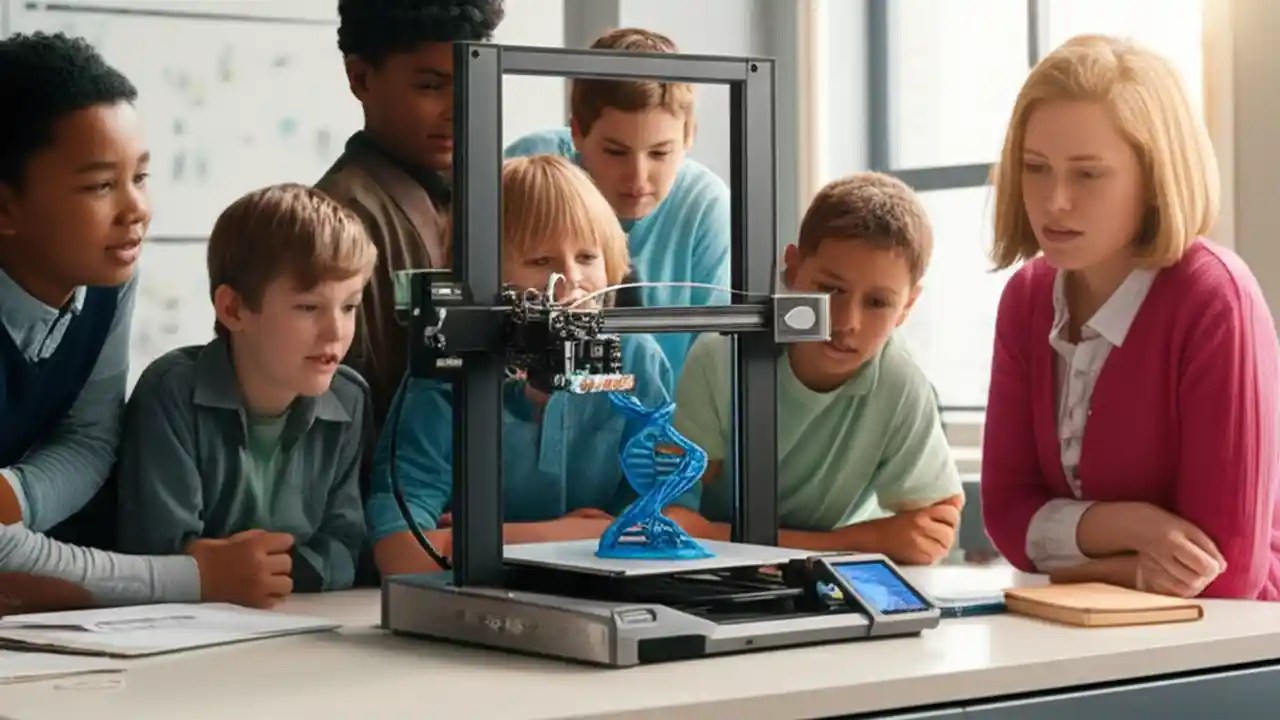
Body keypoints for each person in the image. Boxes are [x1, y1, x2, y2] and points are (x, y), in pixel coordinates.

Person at [0, 32, 294, 614]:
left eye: (140, 177)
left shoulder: (109, 276)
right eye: (101, 186)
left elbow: (89, 436)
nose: (136, 209)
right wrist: (193, 578)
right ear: (6, 207)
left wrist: (18, 495)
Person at [980, 35, 1280, 600]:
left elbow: (1228, 573)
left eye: (1088, 174)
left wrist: (1078, 562)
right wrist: (1136, 530)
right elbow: (1008, 520)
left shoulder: (1216, 299)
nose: (1055, 200)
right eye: (1036, 168)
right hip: (1092, 632)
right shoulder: (1026, 298)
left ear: (1153, 179)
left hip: (1238, 638)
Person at [367, 155, 682, 575]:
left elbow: (667, 527)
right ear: (481, 275)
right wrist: (576, 532)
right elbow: (401, 552)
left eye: (587, 257)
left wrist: (477, 537)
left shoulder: (638, 359)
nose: (570, 279)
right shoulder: (447, 370)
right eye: (540, 261)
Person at [670, 173, 964, 565]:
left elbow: (932, 531)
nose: (846, 322)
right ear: (792, 269)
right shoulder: (719, 358)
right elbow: (670, 521)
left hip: (826, 577)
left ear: (907, 306)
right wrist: (861, 541)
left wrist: (716, 535)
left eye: (877, 303)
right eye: (830, 289)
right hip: (715, 574)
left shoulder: (900, 382)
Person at [116, 184, 376, 595]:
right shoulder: (171, 393)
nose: (336, 331)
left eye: (349, 307)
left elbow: (345, 547)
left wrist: (266, 572)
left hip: (299, 613)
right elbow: (158, 551)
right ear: (233, 309)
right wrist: (224, 572)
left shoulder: (349, 398)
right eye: (308, 307)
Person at [317, 0, 506, 431]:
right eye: (430, 86)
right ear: (360, 77)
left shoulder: (497, 193)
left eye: (471, 82)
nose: (458, 108)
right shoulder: (341, 217)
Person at [504, 27, 730, 378]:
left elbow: (719, 354)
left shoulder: (706, 206)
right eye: (615, 152)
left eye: (660, 153)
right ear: (577, 132)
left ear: (689, 136)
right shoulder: (532, 170)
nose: (638, 179)